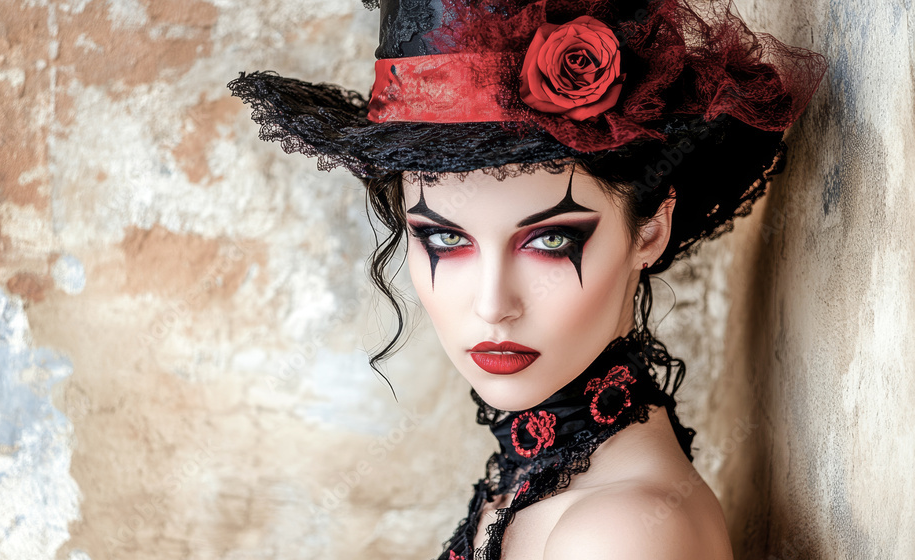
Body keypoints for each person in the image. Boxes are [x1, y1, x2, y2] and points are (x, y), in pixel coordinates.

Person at [228, 0, 826, 558]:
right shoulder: (534, 479)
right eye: (445, 238)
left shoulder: (620, 536)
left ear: (649, 231)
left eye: (549, 240)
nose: (493, 306)